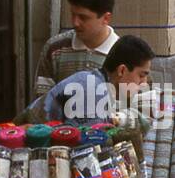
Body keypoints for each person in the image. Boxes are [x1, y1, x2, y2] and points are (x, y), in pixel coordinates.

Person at [22, 35, 154, 127]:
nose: (144, 83)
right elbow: (86, 150)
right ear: (122, 70)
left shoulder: (98, 86)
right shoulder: (93, 89)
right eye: (141, 75)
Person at [33, 0, 120, 97]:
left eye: (83, 17)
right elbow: (41, 103)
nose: (75, 23)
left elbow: (137, 106)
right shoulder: (54, 48)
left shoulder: (125, 55)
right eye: (73, 14)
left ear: (106, 18)